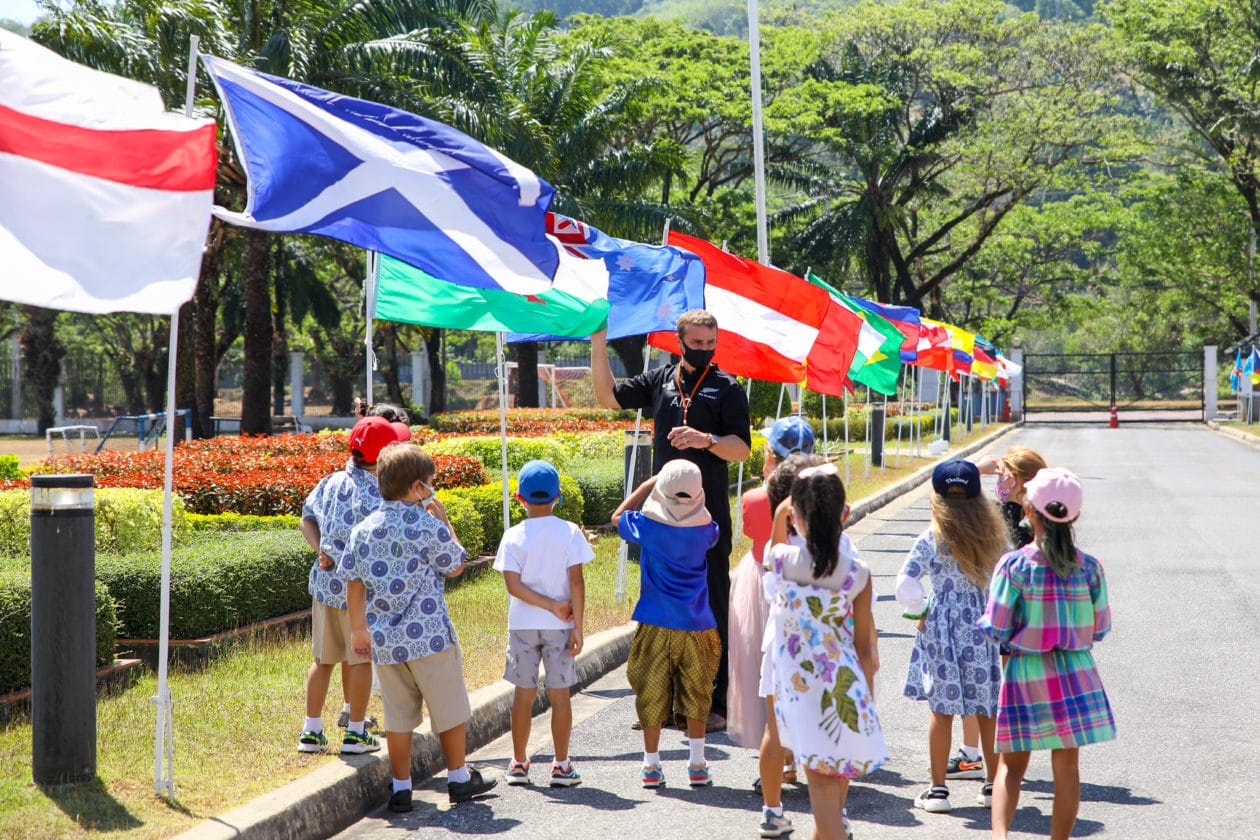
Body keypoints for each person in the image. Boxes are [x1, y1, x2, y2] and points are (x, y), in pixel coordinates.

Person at [592, 310, 752, 729]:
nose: (704, 350)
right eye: (696, 343)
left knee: (711, 603)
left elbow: (741, 450)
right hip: (662, 518)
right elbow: (608, 396)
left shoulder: (727, 387)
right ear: (678, 342)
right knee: (661, 606)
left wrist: (707, 440)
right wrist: (597, 340)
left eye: (709, 343)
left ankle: (713, 703)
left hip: (707, 518)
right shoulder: (658, 380)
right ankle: (661, 702)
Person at [346, 442, 497, 812]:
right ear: (417, 487)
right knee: (448, 709)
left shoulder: (363, 530)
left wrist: (358, 629)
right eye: (431, 482)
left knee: (398, 717)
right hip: (429, 636)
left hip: (386, 640)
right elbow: (456, 565)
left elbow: (353, 580)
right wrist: (444, 521)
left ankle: (401, 789)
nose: (433, 487)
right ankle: (459, 778)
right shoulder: (425, 524)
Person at [979, 467, 1114, 840]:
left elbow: (996, 627)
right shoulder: (1089, 568)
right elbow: (1100, 627)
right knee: (1067, 765)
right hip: (1075, 671)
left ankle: (1000, 836)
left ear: (1029, 510)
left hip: (1025, 671)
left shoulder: (1015, 565)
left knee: (1012, 765)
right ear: (1075, 517)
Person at [765, 463, 887, 840]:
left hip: (799, 690)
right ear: (845, 515)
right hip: (844, 686)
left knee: (819, 785)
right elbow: (864, 645)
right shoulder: (857, 573)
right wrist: (866, 694)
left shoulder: (784, 563)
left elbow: (772, 547)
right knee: (832, 784)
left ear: (795, 516)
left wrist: (782, 513)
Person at [896, 458, 1008, 813]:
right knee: (986, 708)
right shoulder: (993, 536)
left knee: (941, 710)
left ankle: (938, 791)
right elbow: (1005, 578)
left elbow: (905, 583)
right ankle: (992, 786)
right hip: (982, 627)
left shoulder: (931, 536)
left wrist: (921, 608)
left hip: (941, 628)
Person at [297, 415, 410, 755]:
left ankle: (311, 731)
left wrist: (321, 551)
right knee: (360, 659)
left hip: (325, 586)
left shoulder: (330, 482)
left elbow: (306, 519)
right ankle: (356, 731)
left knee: (322, 659)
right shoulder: (381, 492)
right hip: (360, 591)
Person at [613, 459, 722, 789]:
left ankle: (651, 765)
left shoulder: (647, 527)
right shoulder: (707, 531)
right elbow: (712, 526)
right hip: (698, 623)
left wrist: (647, 486)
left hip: (656, 620)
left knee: (651, 691)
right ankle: (698, 764)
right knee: (698, 691)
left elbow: (616, 518)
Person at [946, 447, 1049, 781]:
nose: (999, 480)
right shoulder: (1014, 512)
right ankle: (973, 754)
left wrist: (974, 470)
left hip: (1014, 614)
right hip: (1001, 610)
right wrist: (976, 470)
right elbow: (952, 494)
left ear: (1022, 479)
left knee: (1002, 687)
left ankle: (994, 755)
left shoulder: (1030, 518)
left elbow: (952, 498)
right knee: (988, 685)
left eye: (1004, 474)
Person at [494, 460, 593, 788]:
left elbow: (513, 586)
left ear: (519, 497)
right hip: (561, 627)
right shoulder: (570, 532)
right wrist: (576, 624)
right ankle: (561, 765)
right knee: (560, 694)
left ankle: (519, 763)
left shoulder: (513, 535)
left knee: (524, 694)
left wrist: (546, 606)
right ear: (558, 497)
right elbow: (576, 583)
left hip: (522, 624)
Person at [728, 416, 817, 750]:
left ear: (771, 456)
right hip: (807, 583)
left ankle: (775, 747)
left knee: (763, 669)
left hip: (761, 582)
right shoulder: (820, 496)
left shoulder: (753, 498)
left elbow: (752, 534)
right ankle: (797, 748)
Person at [755, 451, 826, 837]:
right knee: (823, 731)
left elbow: (772, 566)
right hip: (826, 653)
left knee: (775, 731)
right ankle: (831, 813)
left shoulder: (779, 551)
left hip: (781, 647)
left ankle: (771, 809)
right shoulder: (838, 549)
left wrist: (781, 516)